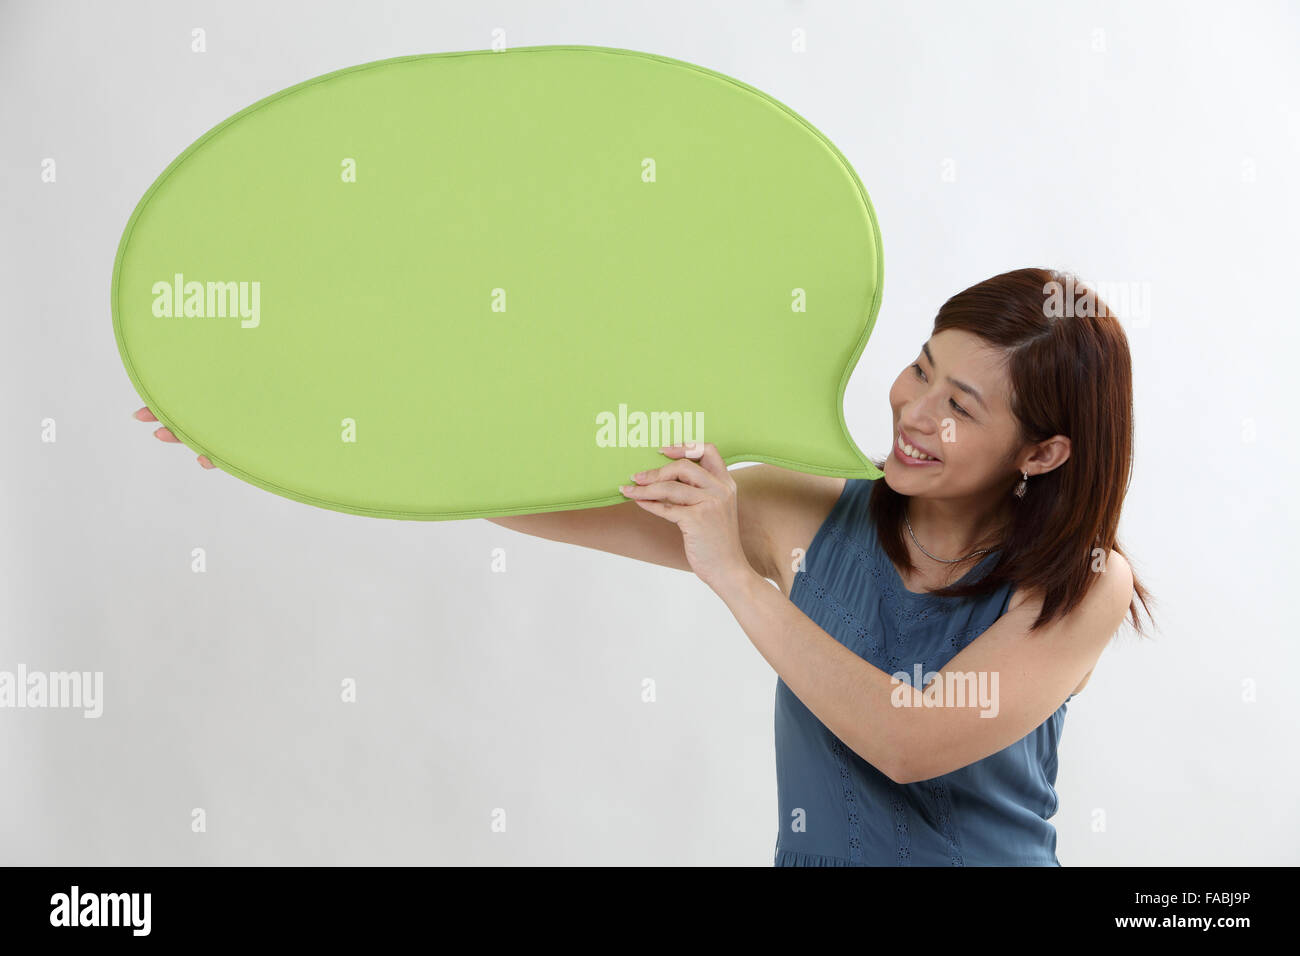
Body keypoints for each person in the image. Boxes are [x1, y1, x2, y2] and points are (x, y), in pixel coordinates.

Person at [134, 266, 1154, 866]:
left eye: (960, 405)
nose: (914, 410)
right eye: (921, 368)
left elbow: (904, 738)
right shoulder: (799, 512)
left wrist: (732, 571)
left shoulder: (1081, 582)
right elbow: (546, 500)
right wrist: (277, 429)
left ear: (1043, 451)